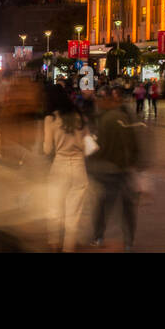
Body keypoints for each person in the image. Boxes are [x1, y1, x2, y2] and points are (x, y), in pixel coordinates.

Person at [88, 87, 145, 251]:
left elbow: (97, 146)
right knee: (126, 208)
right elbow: (133, 144)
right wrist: (135, 162)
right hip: (123, 168)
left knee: (103, 205)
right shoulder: (123, 118)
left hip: (107, 169)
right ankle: (128, 242)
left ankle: (98, 237)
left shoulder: (104, 119)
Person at [43, 84, 89, 252]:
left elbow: (47, 149)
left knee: (54, 206)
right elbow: (86, 144)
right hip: (78, 167)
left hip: (59, 165)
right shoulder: (79, 116)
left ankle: (53, 242)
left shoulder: (51, 119)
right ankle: (68, 248)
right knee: (74, 213)